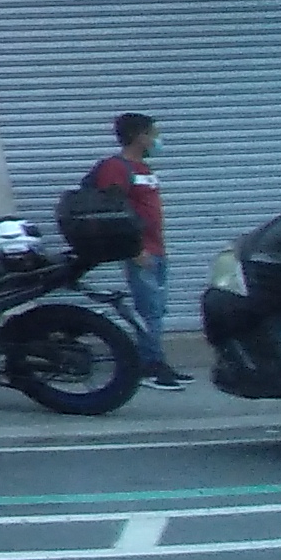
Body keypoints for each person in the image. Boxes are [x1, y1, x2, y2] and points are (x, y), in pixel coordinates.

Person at [86, 113, 188, 391]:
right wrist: (134, 248)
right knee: (150, 311)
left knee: (156, 309)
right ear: (139, 136)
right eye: (153, 134)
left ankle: (156, 361)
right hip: (141, 251)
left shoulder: (143, 169)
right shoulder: (116, 168)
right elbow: (112, 211)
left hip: (157, 248)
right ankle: (149, 367)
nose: (157, 140)